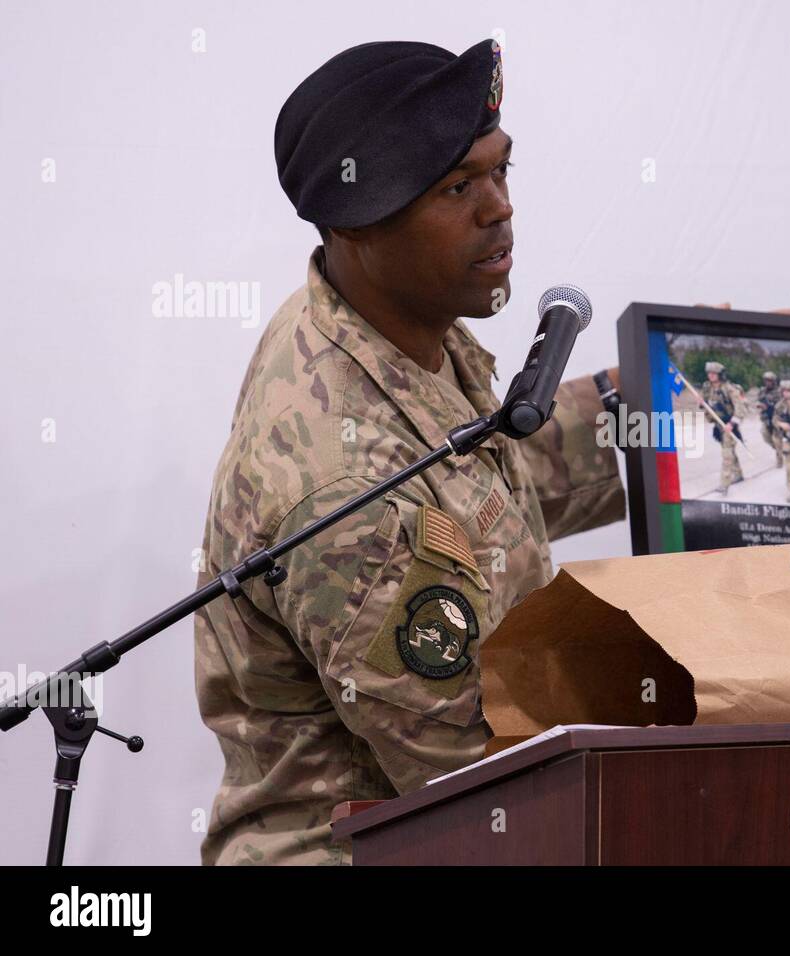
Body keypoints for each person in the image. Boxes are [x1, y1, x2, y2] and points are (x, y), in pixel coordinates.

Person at [192, 38, 626, 865]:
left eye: (502, 172)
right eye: (458, 187)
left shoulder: (385, 323)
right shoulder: (345, 492)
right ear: (356, 226)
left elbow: (486, 483)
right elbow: (491, 779)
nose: (498, 208)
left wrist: (658, 410)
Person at [697, 361, 746, 495]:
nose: (711, 376)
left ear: (720, 374)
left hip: (729, 426)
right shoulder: (707, 387)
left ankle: (724, 484)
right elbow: (706, 403)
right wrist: (701, 403)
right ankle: (739, 474)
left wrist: (732, 424)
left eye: (714, 373)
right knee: (729, 451)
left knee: (726, 455)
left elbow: (740, 409)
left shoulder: (729, 388)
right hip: (718, 425)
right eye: (709, 373)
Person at [755, 371, 784, 468]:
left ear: (774, 381)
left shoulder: (779, 392)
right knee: (765, 436)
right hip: (766, 419)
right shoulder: (762, 391)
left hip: (777, 418)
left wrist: (768, 406)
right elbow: (758, 400)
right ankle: (779, 449)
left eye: (769, 381)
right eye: (766, 381)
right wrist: (759, 405)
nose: (767, 383)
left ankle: (779, 459)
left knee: (777, 439)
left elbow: (781, 406)